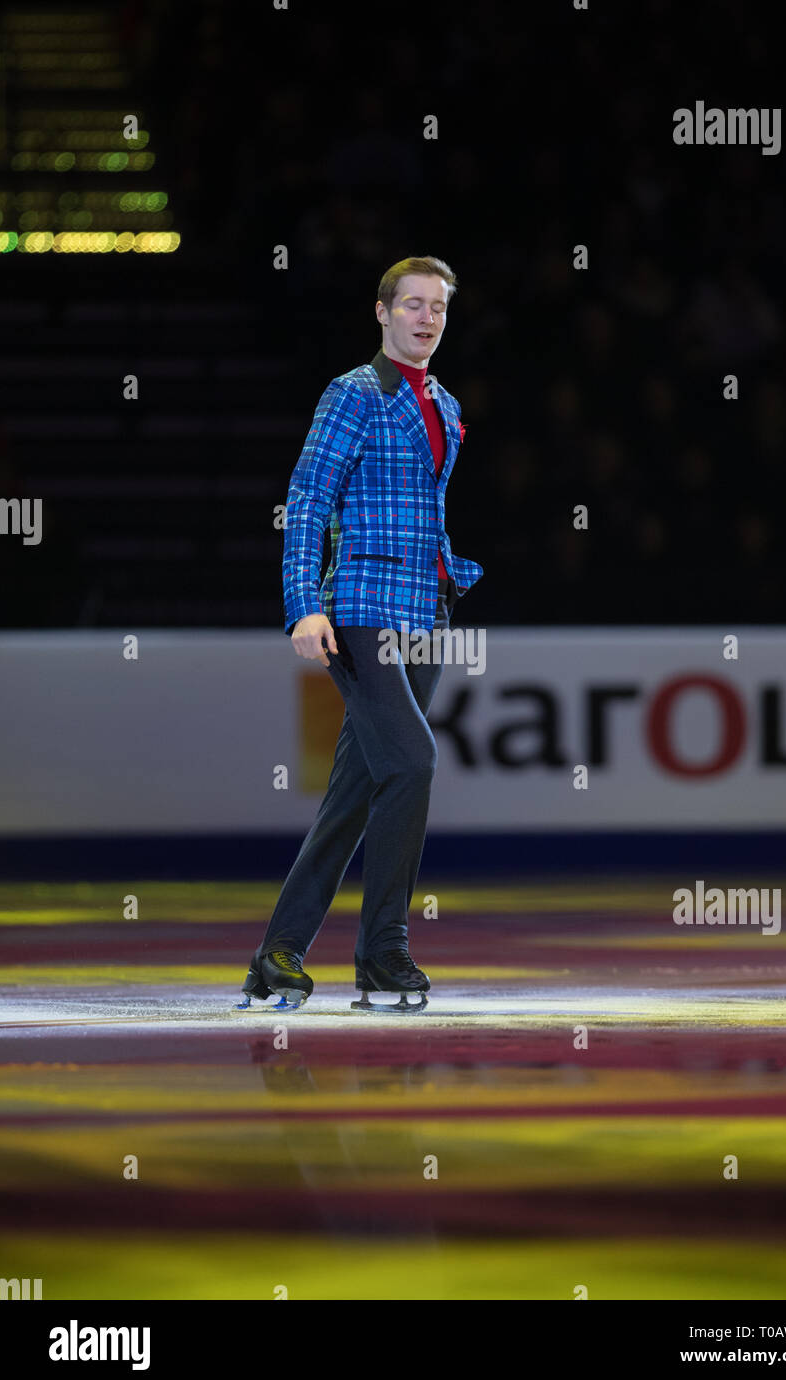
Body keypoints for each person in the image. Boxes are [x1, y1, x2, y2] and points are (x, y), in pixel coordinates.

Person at [236, 255, 483, 1013]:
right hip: (363, 608)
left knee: (358, 787)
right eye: (411, 304)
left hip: (428, 612)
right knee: (412, 764)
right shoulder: (353, 393)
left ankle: (277, 955)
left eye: (437, 306)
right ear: (382, 312)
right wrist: (302, 604)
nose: (426, 317)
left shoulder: (444, 401)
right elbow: (308, 499)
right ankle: (383, 953)